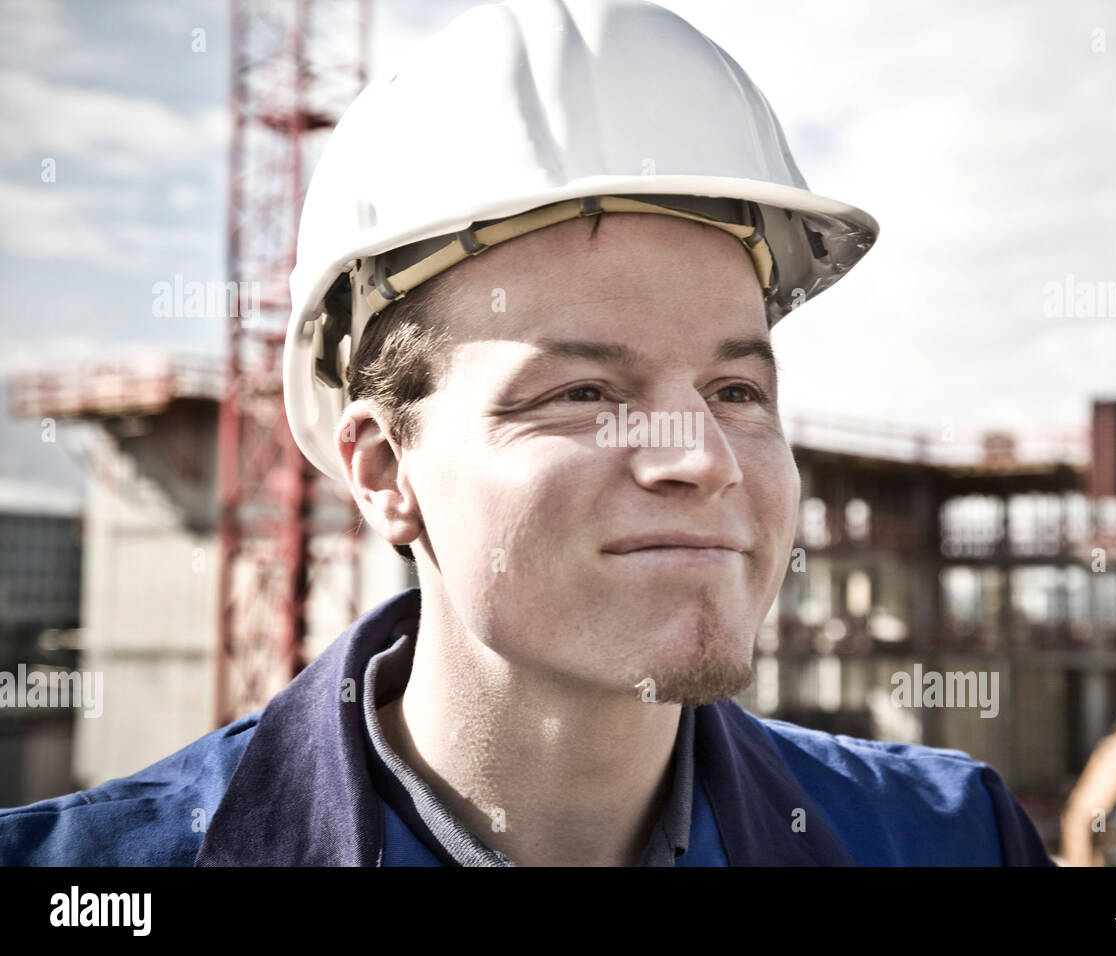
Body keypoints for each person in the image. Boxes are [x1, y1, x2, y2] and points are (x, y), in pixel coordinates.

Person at [0, 0, 1053, 866]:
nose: (701, 455)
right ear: (382, 468)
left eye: (737, 389)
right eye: (584, 392)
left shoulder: (947, 838)